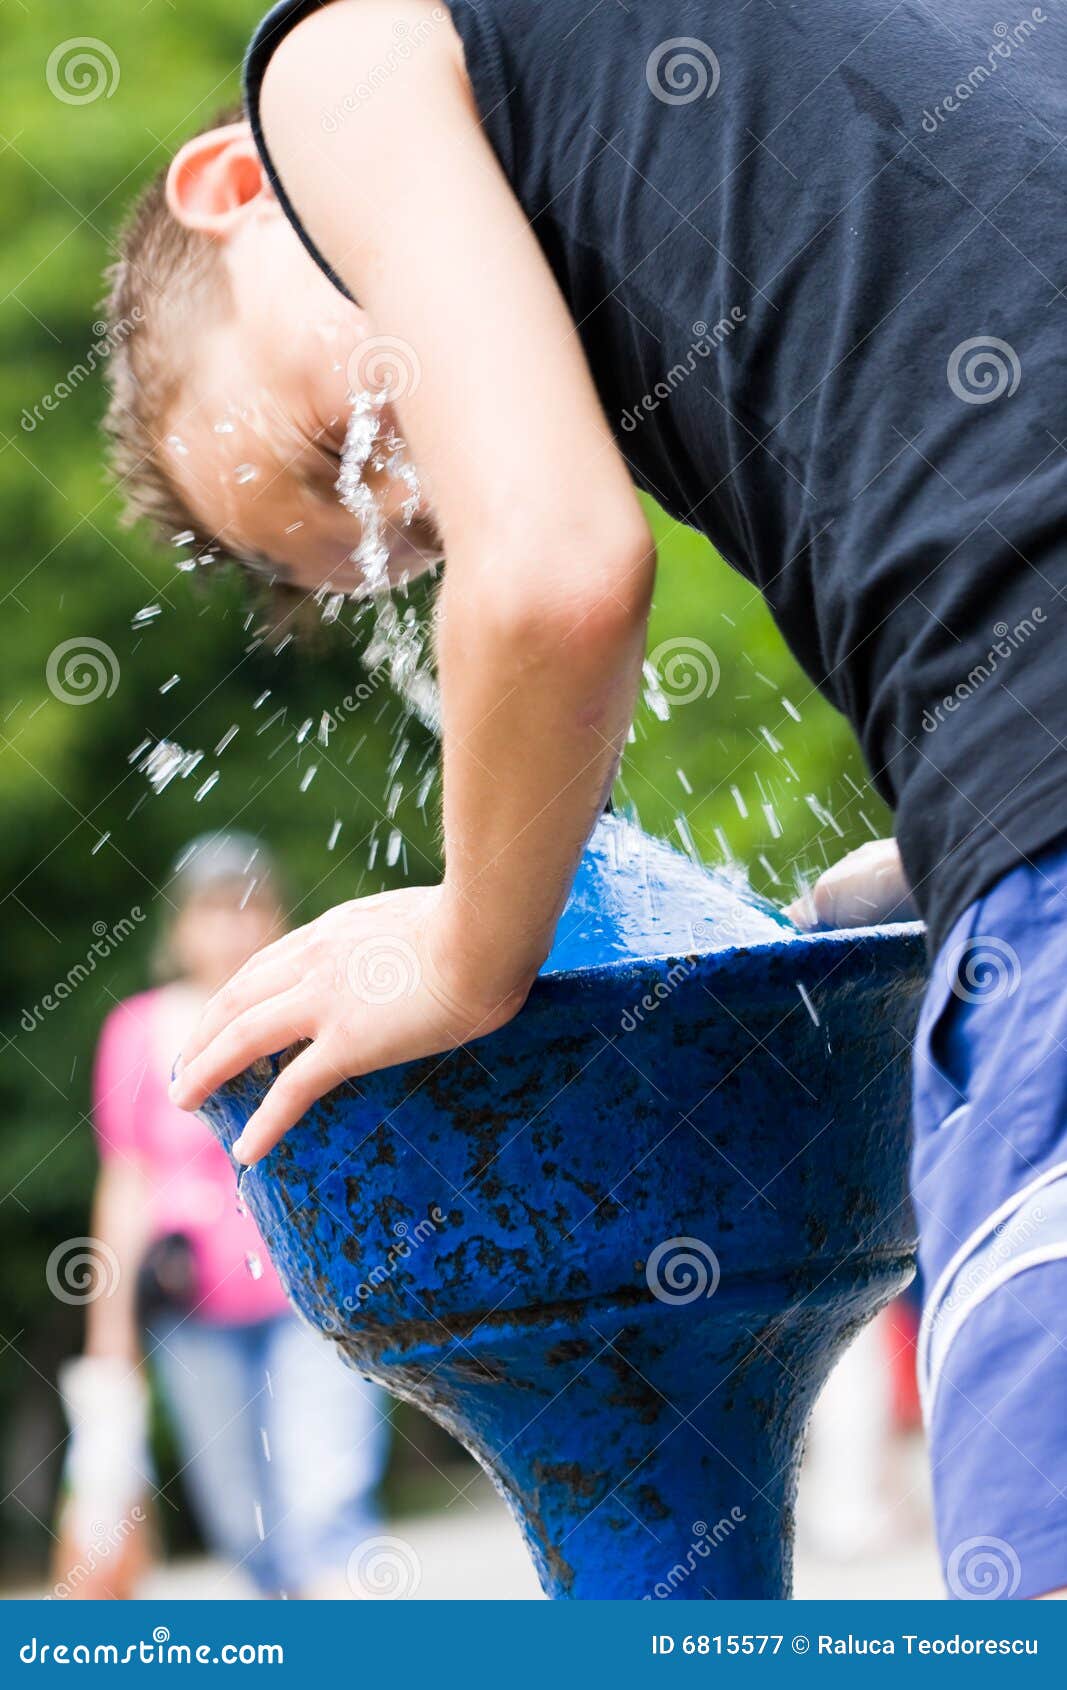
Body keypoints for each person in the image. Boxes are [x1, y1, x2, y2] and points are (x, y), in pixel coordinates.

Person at [101, 2, 1067, 1598]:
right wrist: (948, 852)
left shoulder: (340, 57)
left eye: (333, 444)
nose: (413, 497)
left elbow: (550, 572)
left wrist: (470, 947)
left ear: (232, 182)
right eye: (401, 550)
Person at [70, 833, 388, 1597]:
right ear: (180, 928)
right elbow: (127, 1179)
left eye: (251, 908)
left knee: (328, 1501)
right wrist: (108, 1336)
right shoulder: (138, 1031)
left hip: (310, 1292)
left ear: (278, 919)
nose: (233, 928)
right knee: (245, 1526)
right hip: (191, 1306)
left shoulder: (308, 1008)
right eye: (213, 911)